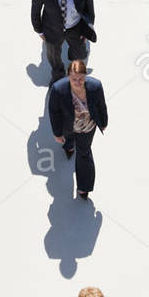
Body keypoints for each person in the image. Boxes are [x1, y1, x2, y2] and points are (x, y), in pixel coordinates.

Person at [48, 59, 107, 199]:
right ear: (68, 76)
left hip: (87, 127)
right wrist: (57, 133)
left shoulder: (96, 86)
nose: (77, 82)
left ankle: (84, 186)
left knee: (84, 154)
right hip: (68, 125)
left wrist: (103, 121)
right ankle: (69, 146)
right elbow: (54, 111)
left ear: (86, 76)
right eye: (74, 79)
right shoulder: (58, 89)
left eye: (81, 78)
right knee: (68, 139)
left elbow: (101, 105)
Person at [31, 0, 96, 84]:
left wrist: (87, 29)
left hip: (76, 27)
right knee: (54, 57)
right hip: (52, 29)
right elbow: (35, 11)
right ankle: (58, 76)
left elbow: (90, 9)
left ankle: (75, 72)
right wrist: (39, 31)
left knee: (80, 54)